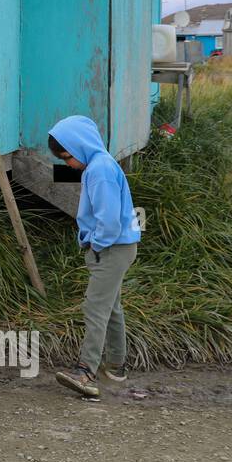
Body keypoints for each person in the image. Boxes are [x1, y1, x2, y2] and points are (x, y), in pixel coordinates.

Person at [48, 116, 142, 399]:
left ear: (80, 146)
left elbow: (110, 222)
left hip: (111, 248)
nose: (68, 164)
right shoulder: (99, 165)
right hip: (119, 247)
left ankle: (86, 371)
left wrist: (96, 245)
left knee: (95, 309)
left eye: (67, 157)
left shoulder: (99, 170)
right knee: (111, 307)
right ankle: (116, 366)